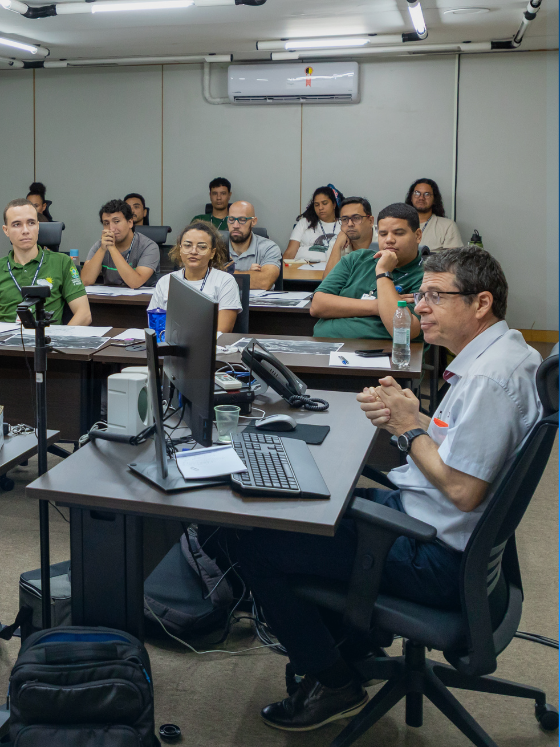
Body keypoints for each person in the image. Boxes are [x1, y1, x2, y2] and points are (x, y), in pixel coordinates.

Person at [229, 247, 540, 732]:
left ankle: (334, 681)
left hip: (433, 553)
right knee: (316, 505)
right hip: (430, 523)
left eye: (436, 296)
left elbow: (462, 490)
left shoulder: (488, 380)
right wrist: (414, 417)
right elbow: (465, 450)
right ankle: (355, 645)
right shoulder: (509, 352)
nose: (420, 308)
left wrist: (408, 429)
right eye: (422, 294)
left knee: (255, 542)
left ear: (481, 303)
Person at [310, 203, 424, 340]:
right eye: (383, 234)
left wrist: (383, 272)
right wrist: (378, 306)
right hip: (326, 347)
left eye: (398, 233)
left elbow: (404, 331)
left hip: (382, 354)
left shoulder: (428, 276)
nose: (389, 240)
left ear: (417, 235)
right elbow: (317, 305)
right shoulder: (356, 259)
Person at [0, 199, 91, 325]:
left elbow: (84, 314)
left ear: (38, 226)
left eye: (31, 223)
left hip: (48, 340)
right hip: (6, 341)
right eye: (17, 224)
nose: (25, 230)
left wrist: (61, 341)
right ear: (6, 230)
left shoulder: (62, 262)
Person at [148, 221, 241, 333]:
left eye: (202, 247)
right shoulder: (165, 281)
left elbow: (223, 330)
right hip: (171, 345)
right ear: (180, 249)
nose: (193, 251)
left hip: (209, 347)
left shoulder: (225, 281)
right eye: (187, 245)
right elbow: (154, 325)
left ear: (212, 253)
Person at [81, 199, 160, 288]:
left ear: (130, 222)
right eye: (106, 223)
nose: (111, 228)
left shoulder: (149, 246)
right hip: (110, 300)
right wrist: (102, 249)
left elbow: (135, 283)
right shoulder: (100, 246)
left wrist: (112, 248)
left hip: (142, 301)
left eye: (116, 221)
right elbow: (85, 281)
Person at [224, 200, 281, 290]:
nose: (235, 225)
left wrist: (224, 273)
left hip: (258, 303)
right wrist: (249, 274)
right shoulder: (216, 246)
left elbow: (264, 282)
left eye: (242, 220)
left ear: (253, 221)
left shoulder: (269, 248)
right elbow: (204, 277)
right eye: (231, 219)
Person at [283, 186, 342, 263]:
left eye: (324, 203)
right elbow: (290, 252)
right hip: (302, 268)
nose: (320, 208)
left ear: (334, 204)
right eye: (317, 205)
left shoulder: (344, 224)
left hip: (334, 269)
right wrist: (281, 272)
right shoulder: (305, 222)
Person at [322, 196, 376, 278]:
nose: (350, 224)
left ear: (371, 221)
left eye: (356, 218)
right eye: (345, 219)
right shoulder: (336, 245)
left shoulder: (384, 242)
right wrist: (337, 246)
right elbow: (326, 285)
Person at [405, 178, 463, 252]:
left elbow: (454, 259)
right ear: (411, 197)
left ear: (434, 199)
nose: (421, 198)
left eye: (427, 194)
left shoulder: (448, 226)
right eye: (417, 193)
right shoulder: (399, 224)